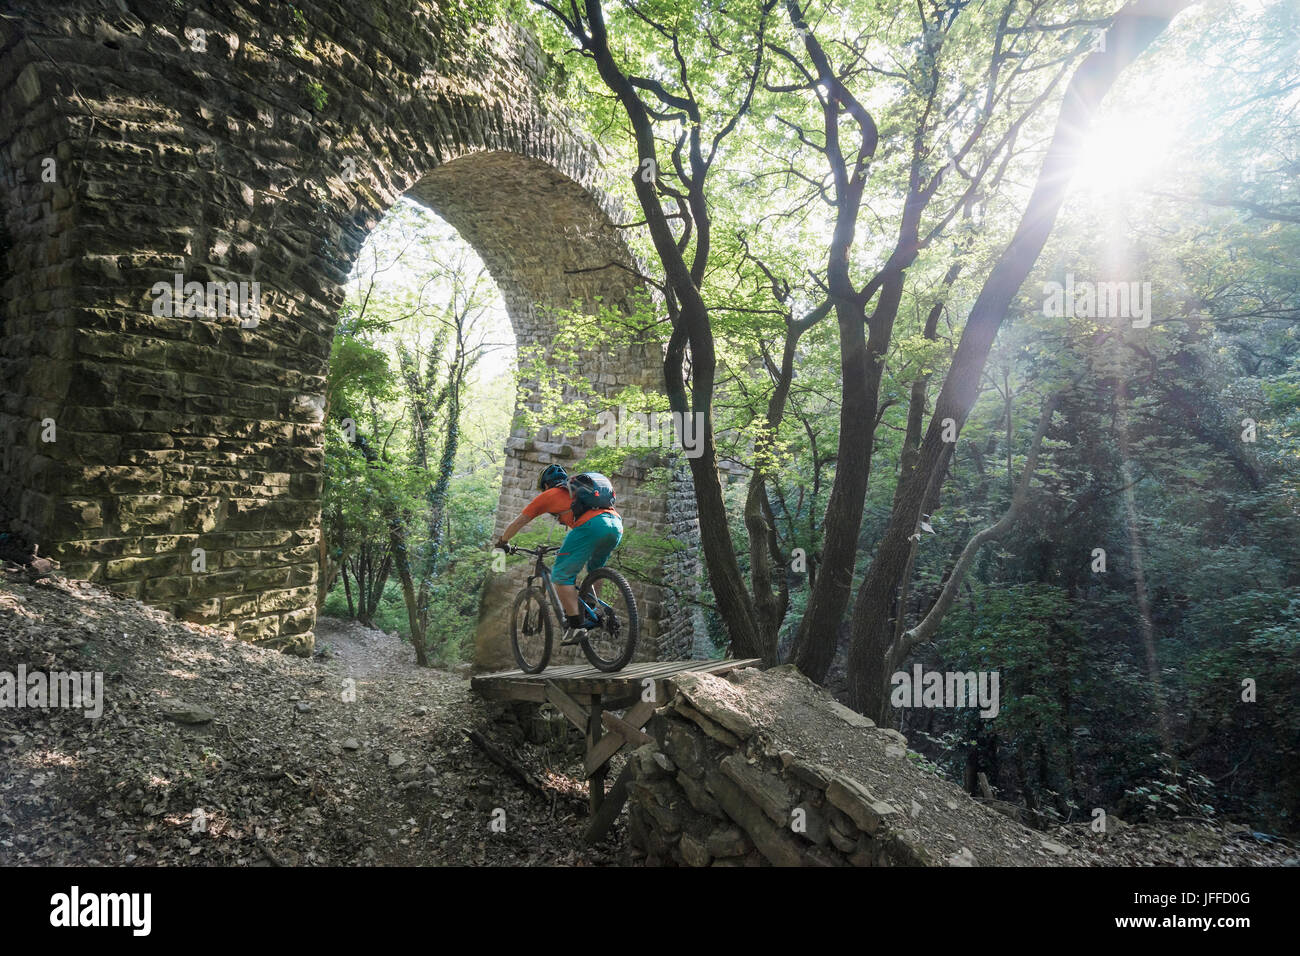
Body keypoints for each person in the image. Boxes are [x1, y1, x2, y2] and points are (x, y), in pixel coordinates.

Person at [495, 464, 623, 645]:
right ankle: (595, 608)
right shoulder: (578, 493)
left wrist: (502, 542)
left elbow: (519, 522)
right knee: (595, 569)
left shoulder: (548, 495)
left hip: (591, 526)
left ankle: (576, 626)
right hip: (615, 525)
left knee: (561, 575)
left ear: (546, 485)